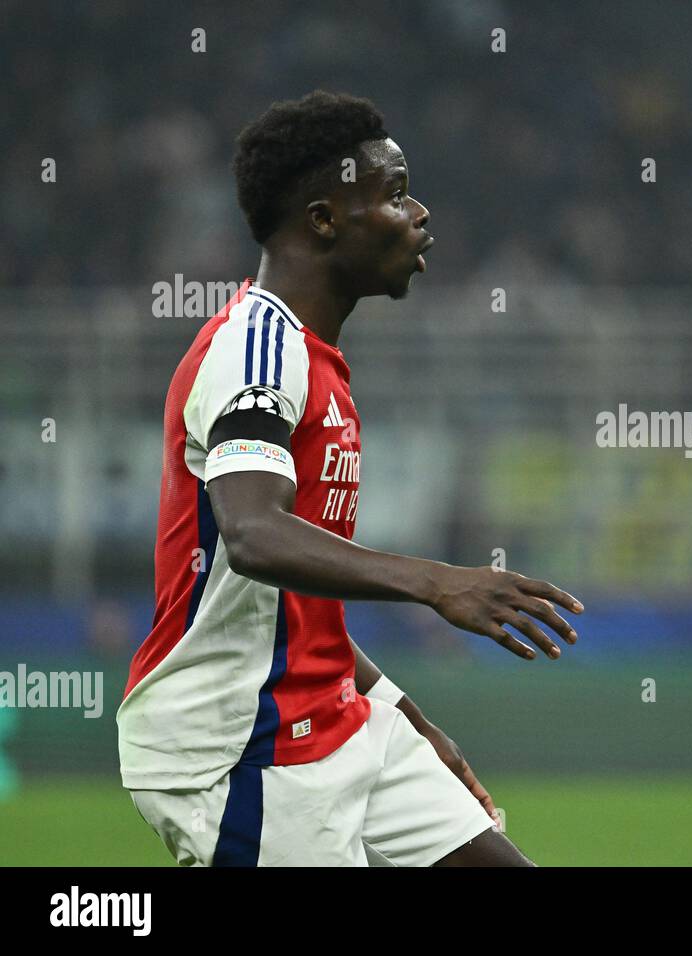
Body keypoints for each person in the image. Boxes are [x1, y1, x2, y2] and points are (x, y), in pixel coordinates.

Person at [118, 91, 583, 866]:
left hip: (338, 720)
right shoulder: (256, 352)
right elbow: (255, 535)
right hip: (241, 750)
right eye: (396, 194)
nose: (421, 213)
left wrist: (402, 713)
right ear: (325, 219)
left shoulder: (315, 362)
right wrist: (440, 585)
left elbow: (290, 601)